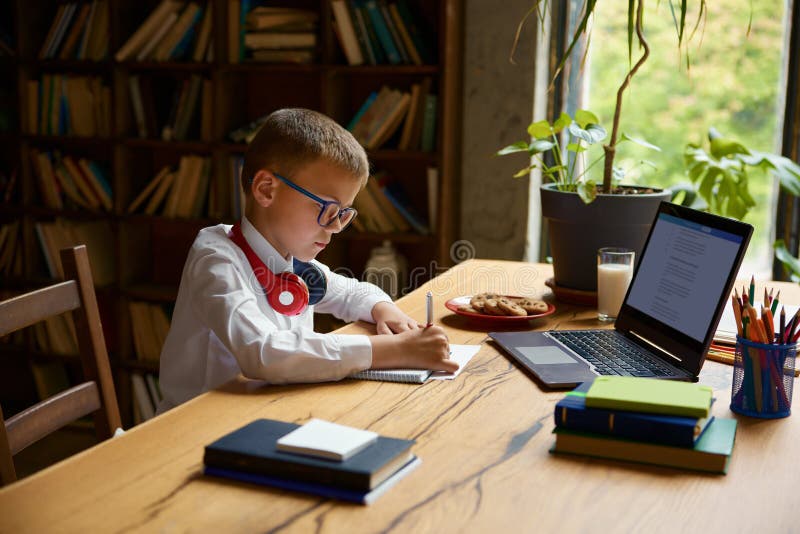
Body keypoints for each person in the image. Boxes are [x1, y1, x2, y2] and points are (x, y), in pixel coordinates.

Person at [157, 108, 457, 412]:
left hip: (262, 413)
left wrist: (385, 309)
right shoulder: (216, 260)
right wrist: (393, 350)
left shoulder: (292, 261)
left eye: (343, 214)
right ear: (266, 190)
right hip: (195, 429)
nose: (336, 227)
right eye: (328, 209)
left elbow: (353, 292)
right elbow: (264, 354)